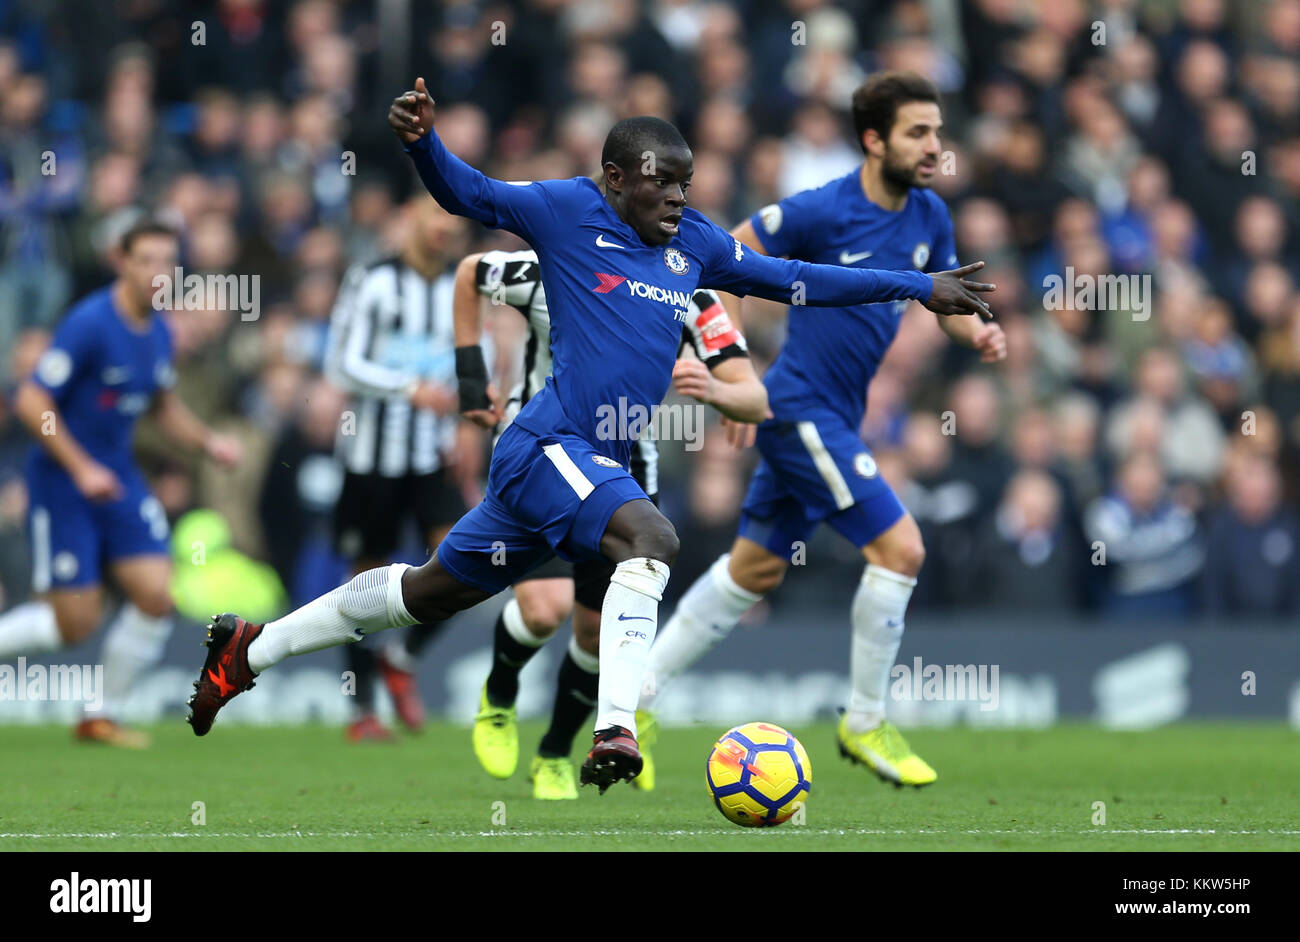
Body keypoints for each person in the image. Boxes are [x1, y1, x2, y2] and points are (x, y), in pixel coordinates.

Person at [186, 76, 993, 796]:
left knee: (425, 594)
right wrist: (424, 144)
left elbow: (799, 280)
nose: (678, 198)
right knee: (650, 535)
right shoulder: (565, 208)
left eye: (686, 184)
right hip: (544, 443)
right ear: (614, 180)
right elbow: (468, 194)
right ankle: (615, 725)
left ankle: (246, 652)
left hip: (576, 463)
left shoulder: (697, 244)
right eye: (661, 183)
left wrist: (920, 285)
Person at [639, 72, 1007, 790]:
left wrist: (976, 335)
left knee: (754, 571)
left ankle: (632, 701)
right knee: (901, 549)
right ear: (874, 140)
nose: (935, 146)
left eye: (937, 131)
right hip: (798, 406)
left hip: (831, 415)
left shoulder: (930, 216)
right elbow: (721, 273)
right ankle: (865, 721)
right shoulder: (822, 210)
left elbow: (947, 301)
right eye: (917, 133)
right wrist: (735, 373)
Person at [452, 246, 767, 798]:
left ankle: (553, 753)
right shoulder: (553, 265)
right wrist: (470, 372)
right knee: (544, 611)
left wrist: (717, 391)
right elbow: (471, 274)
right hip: (541, 458)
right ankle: (499, 696)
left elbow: (753, 394)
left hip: (623, 477)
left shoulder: (687, 288)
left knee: (597, 632)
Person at [0, 219, 241, 747]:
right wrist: (82, 467)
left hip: (120, 479)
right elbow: (30, 401)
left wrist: (207, 442)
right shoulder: (89, 322)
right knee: (74, 624)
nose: (159, 273)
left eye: (168, 262)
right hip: (66, 482)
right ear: (121, 262)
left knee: (156, 596)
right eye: (147, 260)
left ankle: (99, 716)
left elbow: (162, 405)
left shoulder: (157, 331)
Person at [322, 197, 477, 741]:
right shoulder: (373, 279)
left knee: (463, 564)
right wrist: (406, 388)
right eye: (435, 218)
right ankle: (361, 707)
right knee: (364, 579)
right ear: (412, 221)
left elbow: (467, 360)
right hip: (372, 459)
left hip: (432, 457)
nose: (444, 230)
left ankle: (403, 657)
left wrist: (466, 422)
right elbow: (339, 361)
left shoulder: (461, 285)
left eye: (453, 223)